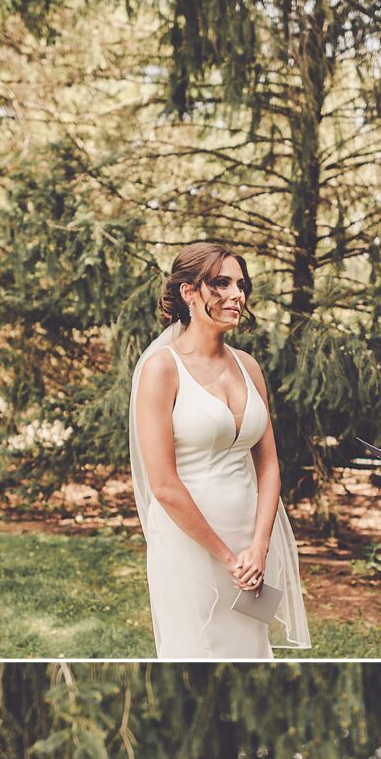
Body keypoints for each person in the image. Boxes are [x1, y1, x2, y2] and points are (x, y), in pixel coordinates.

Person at [129, 241, 310, 658]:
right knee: (198, 652)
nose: (237, 296)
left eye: (241, 285)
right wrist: (230, 559)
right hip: (190, 546)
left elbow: (268, 466)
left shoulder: (248, 366)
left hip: (251, 544)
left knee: (251, 649)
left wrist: (259, 548)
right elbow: (164, 484)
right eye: (221, 284)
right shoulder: (162, 369)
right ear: (189, 292)